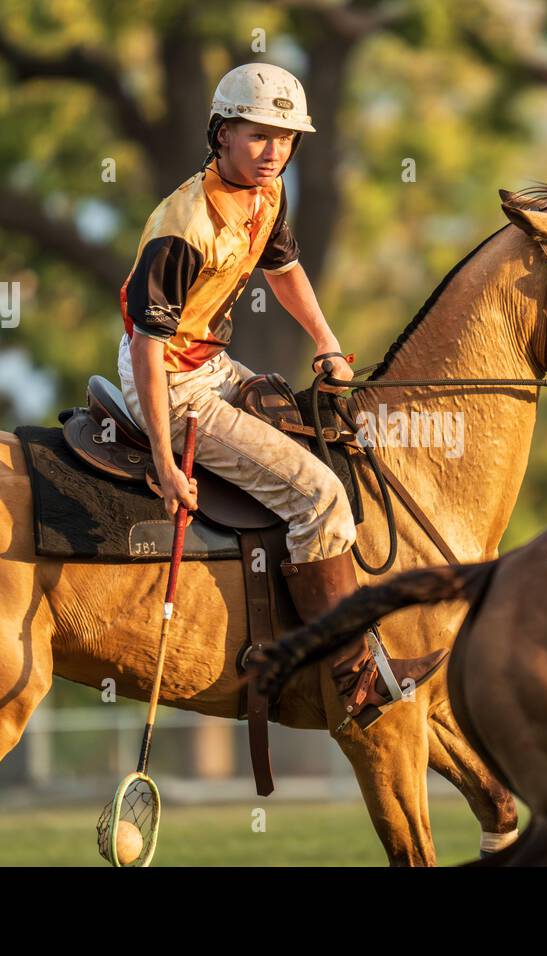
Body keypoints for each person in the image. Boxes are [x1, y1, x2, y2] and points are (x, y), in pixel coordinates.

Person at [116, 63, 445, 730]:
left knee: (326, 437)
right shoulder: (185, 224)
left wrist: (325, 338)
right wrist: (164, 457)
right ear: (222, 133)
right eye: (260, 136)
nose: (274, 152)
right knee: (319, 495)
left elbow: (284, 266)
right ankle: (352, 673)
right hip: (172, 384)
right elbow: (149, 349)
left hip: (211, 362)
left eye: (287, 139)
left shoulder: (269, 194)